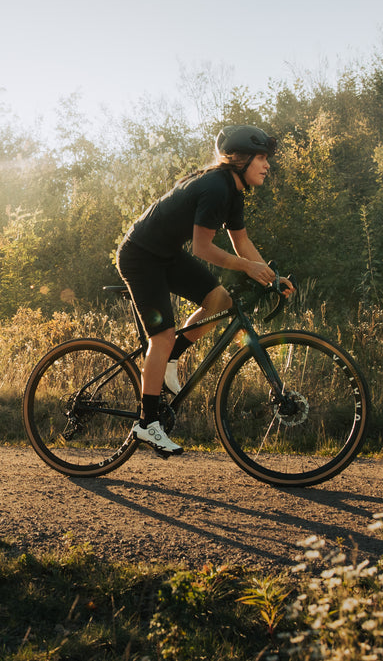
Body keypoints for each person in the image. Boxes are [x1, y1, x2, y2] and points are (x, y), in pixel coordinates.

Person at [116, 125, 294, 456]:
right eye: (262, 158)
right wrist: (250, 269)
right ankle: (147, 423)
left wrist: (270, 277)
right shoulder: (215, 187)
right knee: (162, 335)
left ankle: (171, 358)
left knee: (219, 300)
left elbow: (241, 242)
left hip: (166, 255)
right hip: (140, 256)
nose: (268, 165)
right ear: (240, 160)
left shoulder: (233, 192)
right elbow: (202, 248)